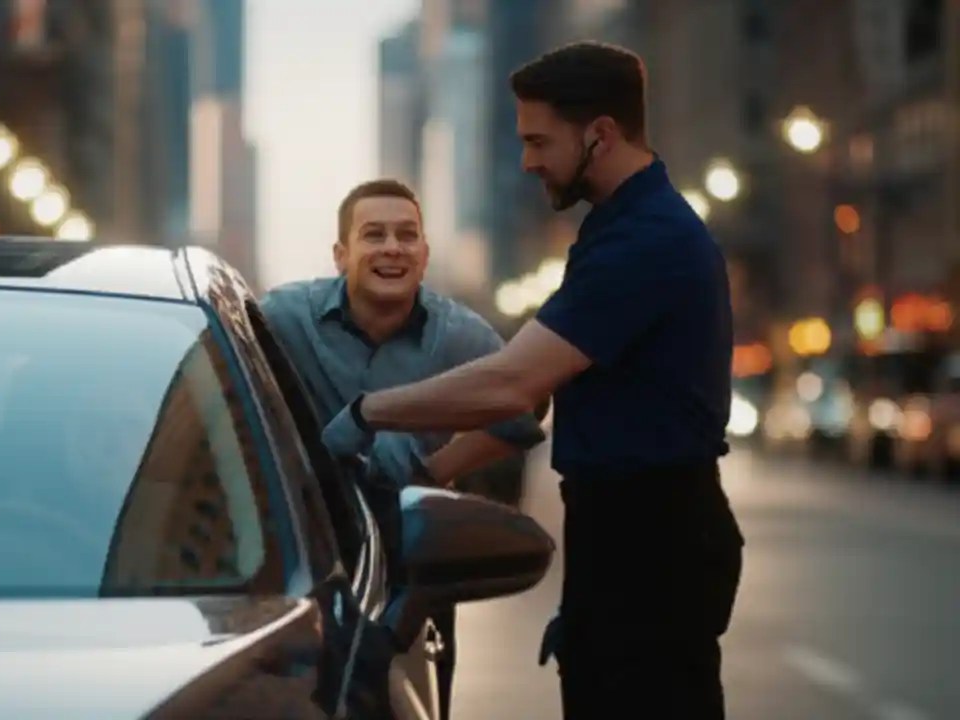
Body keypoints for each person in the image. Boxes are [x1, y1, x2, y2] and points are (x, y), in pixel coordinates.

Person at [319, 42, 745, 719]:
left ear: (599, 135)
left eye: (539, 141)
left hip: (654, 540)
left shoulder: (646, 243)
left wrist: (368, 412)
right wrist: (431, 470)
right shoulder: (616, 230)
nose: (527, 160)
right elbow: (538, 399)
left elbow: (515, 382)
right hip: (628, 532)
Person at [259, 178, 546, 720]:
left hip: (418, 566)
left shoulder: (462, 337)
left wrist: (433, 470)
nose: (393, 247)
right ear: (341, 254)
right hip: (303, 564)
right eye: (374, 235)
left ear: (425, 254)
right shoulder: (280, 319)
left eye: (406, 235)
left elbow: (524, 412)